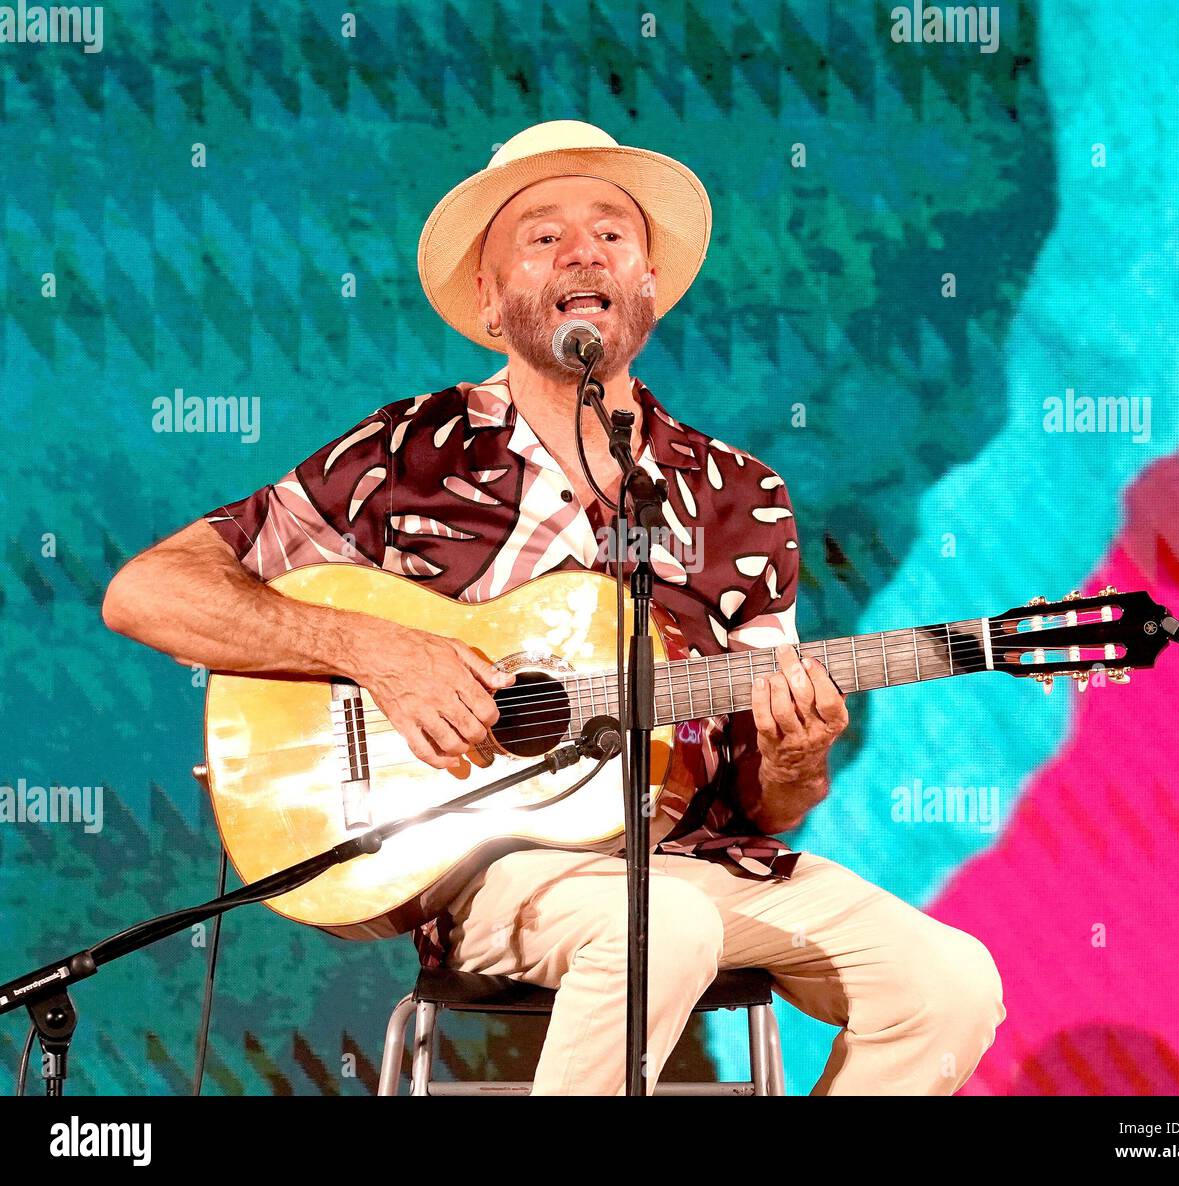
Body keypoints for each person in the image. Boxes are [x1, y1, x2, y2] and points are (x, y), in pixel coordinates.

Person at [102, 120, 1005, 1095]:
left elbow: (760, 803)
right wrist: (374, 649)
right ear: (489, 301)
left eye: (612, 233)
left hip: (704, 864)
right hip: (496, 872)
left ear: (649, 283)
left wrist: (793, 757)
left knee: (950, 981)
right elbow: (148, 590)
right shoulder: (412, 450)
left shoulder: (744, 496)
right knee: (666, 934)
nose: (583, 249)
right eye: (542, 235)